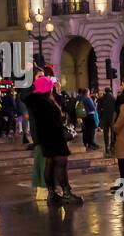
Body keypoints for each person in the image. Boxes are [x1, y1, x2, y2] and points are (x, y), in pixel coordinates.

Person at [25, 75, 83, 205]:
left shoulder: (37, 101)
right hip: (54, 137)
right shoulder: (45, 103)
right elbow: (55, 121)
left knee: (50, 164)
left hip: (45, 137)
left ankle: (52, 193)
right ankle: (66, 192)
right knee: (61, 164)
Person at [97, 87, 117, 154]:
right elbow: (116, 109)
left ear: (105, 91)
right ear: (110, 91)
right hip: (112, 118)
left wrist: (100, 117)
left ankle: (106, 148)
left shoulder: (101, 99)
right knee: (113, 133)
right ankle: (112, 147)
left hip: (104, 118)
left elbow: (98, 110)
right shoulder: (114, 99)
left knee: (106, 133)